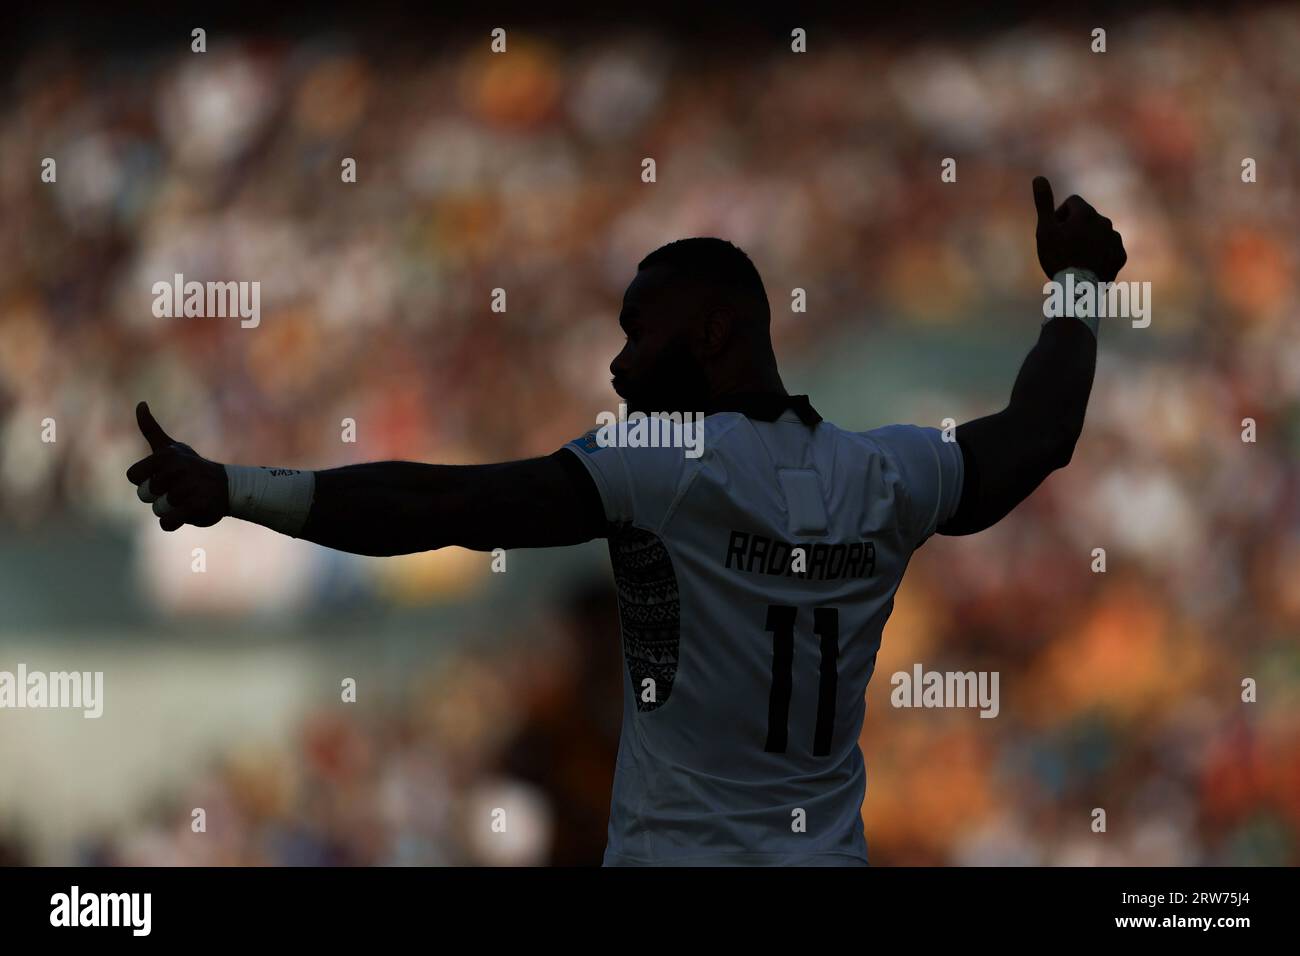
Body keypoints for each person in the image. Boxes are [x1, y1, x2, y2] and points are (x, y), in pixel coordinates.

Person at [126, 176, 1126, 866]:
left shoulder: (664, 468)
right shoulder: (888, 470)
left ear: (717, 332)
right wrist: (1074, 286)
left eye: (638, 332)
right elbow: (1038, 433)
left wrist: (236, 488)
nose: (619, 364)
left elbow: (443, 506)